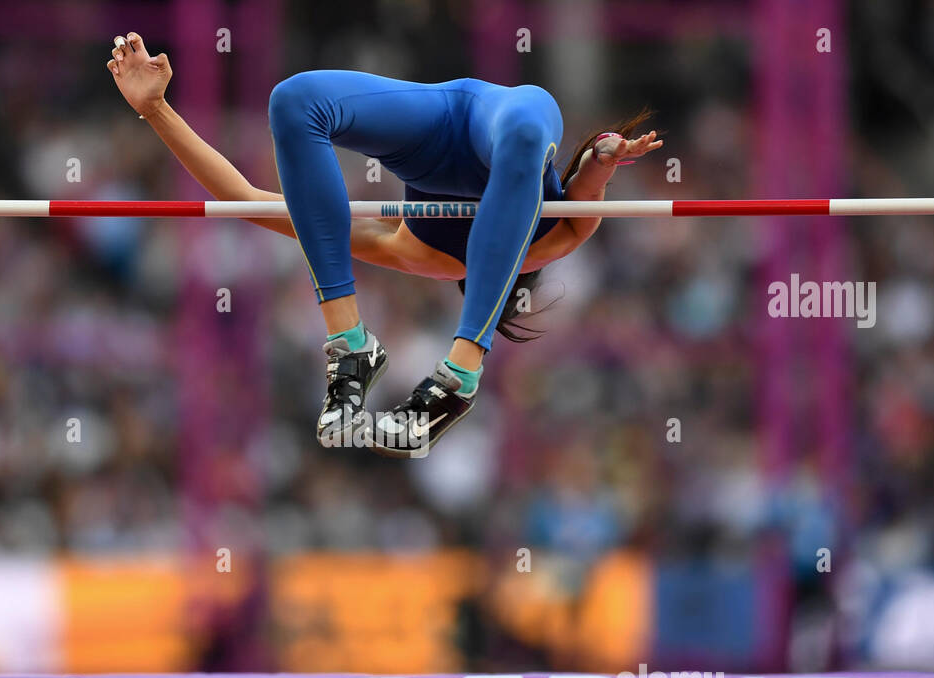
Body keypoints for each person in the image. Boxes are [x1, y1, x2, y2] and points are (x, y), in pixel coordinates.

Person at [107, 32, 661, 457]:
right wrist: (601, 158)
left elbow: (245, 199)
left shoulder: (415, 252)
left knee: (520, 135)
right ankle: (351, 347)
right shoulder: (548, 243)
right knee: (295, 101)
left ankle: (458, 376)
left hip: (496, 128)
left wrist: (156, 111)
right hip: (457, 119)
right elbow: (588, 186)